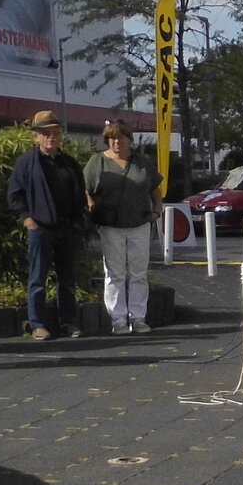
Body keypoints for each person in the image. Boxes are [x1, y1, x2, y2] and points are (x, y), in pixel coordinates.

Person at [7, 110, 89, 340]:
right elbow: (14, 195)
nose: (50, 137)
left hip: (66, 228)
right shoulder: (26, 163)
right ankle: (37, 324)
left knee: (67, 279)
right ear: (36, 137)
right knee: (37, 279)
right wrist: (27, 219)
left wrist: (78, 222)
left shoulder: (70, 164)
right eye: (45, 133)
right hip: (40, 228)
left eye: (54, 133)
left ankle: (69, 322)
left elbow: (81, 196)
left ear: (60, 136)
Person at [84, 119, 158, 333]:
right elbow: (85, 188)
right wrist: (91, 206)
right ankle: (118, 319)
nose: (117, 141)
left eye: (121, 137)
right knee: (115, 272)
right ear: (107, 140)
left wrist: (157, 211)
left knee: (138, 272)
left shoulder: (141, 162)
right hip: (110, 225)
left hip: (139, 223)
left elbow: (155, 188)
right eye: (112, 137)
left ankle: (138, 317)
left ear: (129, 139)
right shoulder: (97, 161)